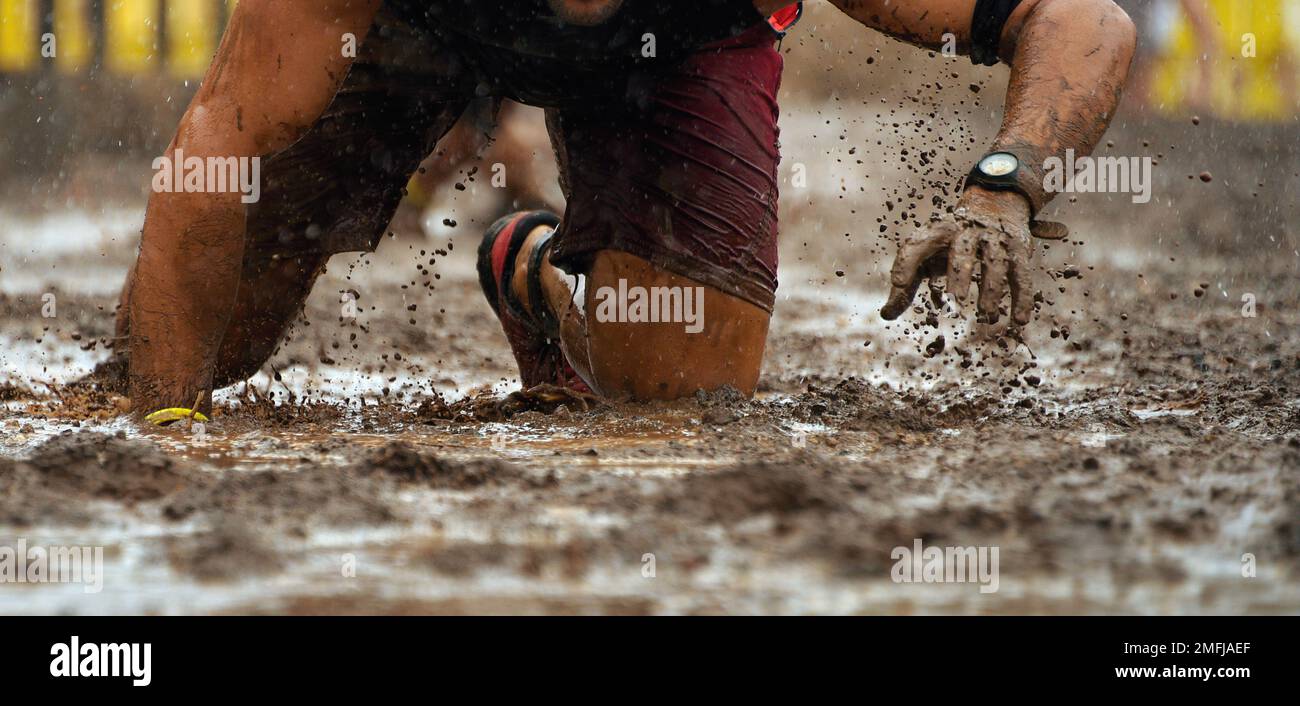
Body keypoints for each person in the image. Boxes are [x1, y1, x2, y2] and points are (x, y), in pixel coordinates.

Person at [111, 0, 1136, 421]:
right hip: (418, 25)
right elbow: (217, 147)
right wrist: (165, 417)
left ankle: (535, 276)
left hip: (681, 47)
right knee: (200, 353)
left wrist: (1003, 185)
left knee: (680, 405)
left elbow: (1081, 18)